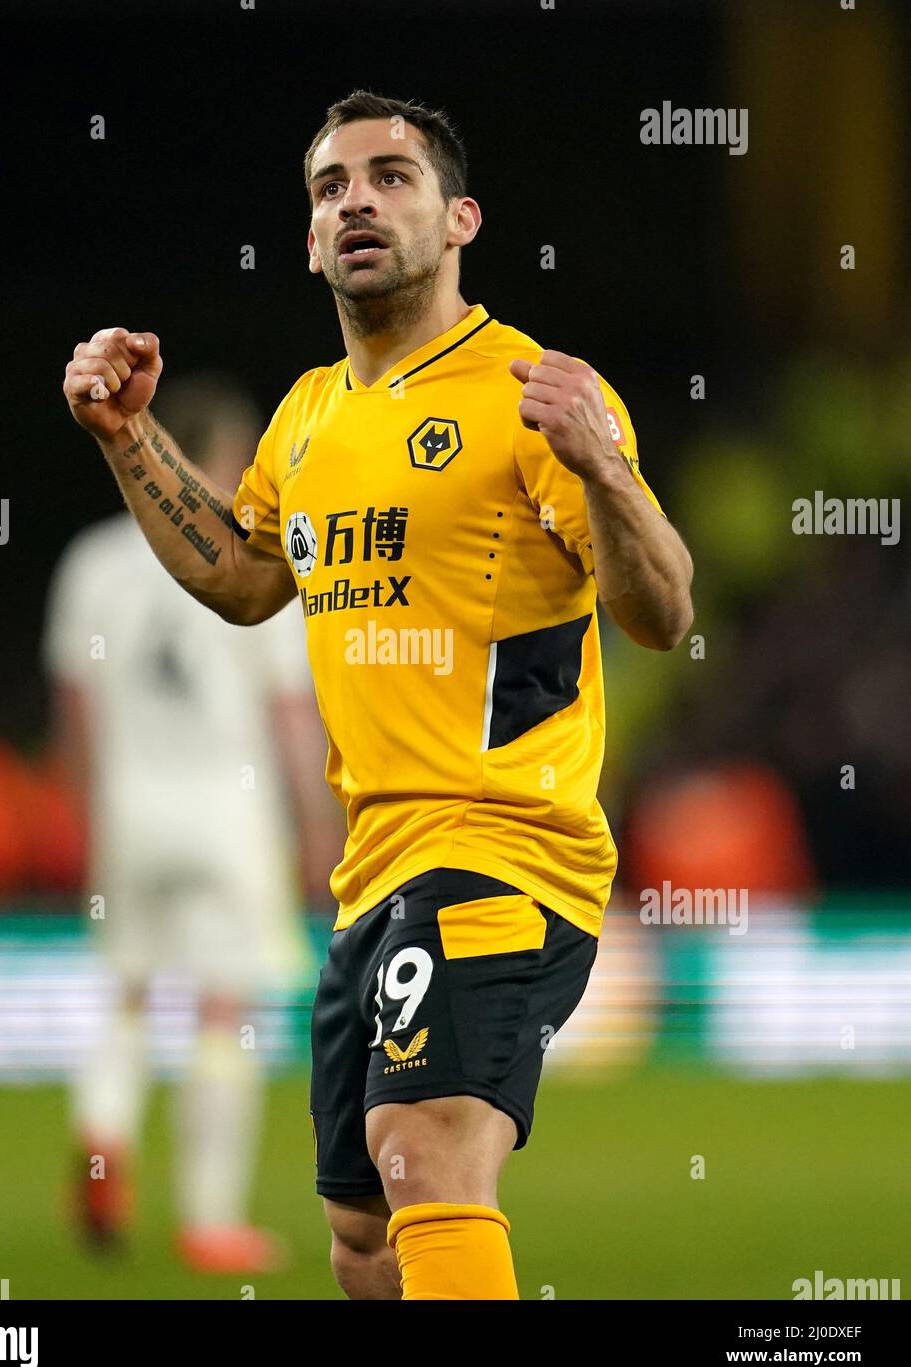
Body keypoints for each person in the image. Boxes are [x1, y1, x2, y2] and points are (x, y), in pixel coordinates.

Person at [60, 89, 694, 1300]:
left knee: (427, 1159)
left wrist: (602, 466)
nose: (357, 198)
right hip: (376, 870)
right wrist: (128, 439)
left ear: (460, 220)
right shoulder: (306, 418)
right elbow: (247, 583)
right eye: (330, 186)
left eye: (391, 177)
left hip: (503, 847)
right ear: (308, 240)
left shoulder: (531, 390)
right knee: (361, 1230)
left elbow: (664, 613)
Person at [44, 371, 340, 1274]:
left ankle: (102, 1138)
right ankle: (210, 1219)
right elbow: (292, 717)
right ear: (216, 459)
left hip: (130, 809)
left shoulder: (92, 563)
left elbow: (76, 709)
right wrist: (319, 828)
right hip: (227, 811)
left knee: (127, 994)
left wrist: (81, 811)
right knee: (223, 1011)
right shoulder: (246, 561)